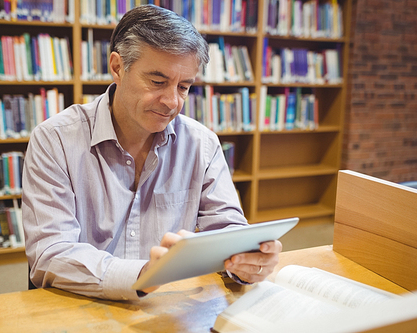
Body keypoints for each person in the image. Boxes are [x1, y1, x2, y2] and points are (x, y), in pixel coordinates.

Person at [22, 4, 282, 301]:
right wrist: (139, 275)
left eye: (184, 87)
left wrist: (247, 260)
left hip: (167, 308)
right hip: (79, 306)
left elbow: (227, 229)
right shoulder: (55, 140)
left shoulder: (202, 144)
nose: (172, 102)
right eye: (157, 82)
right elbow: (49, 253)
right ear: (118, 67)